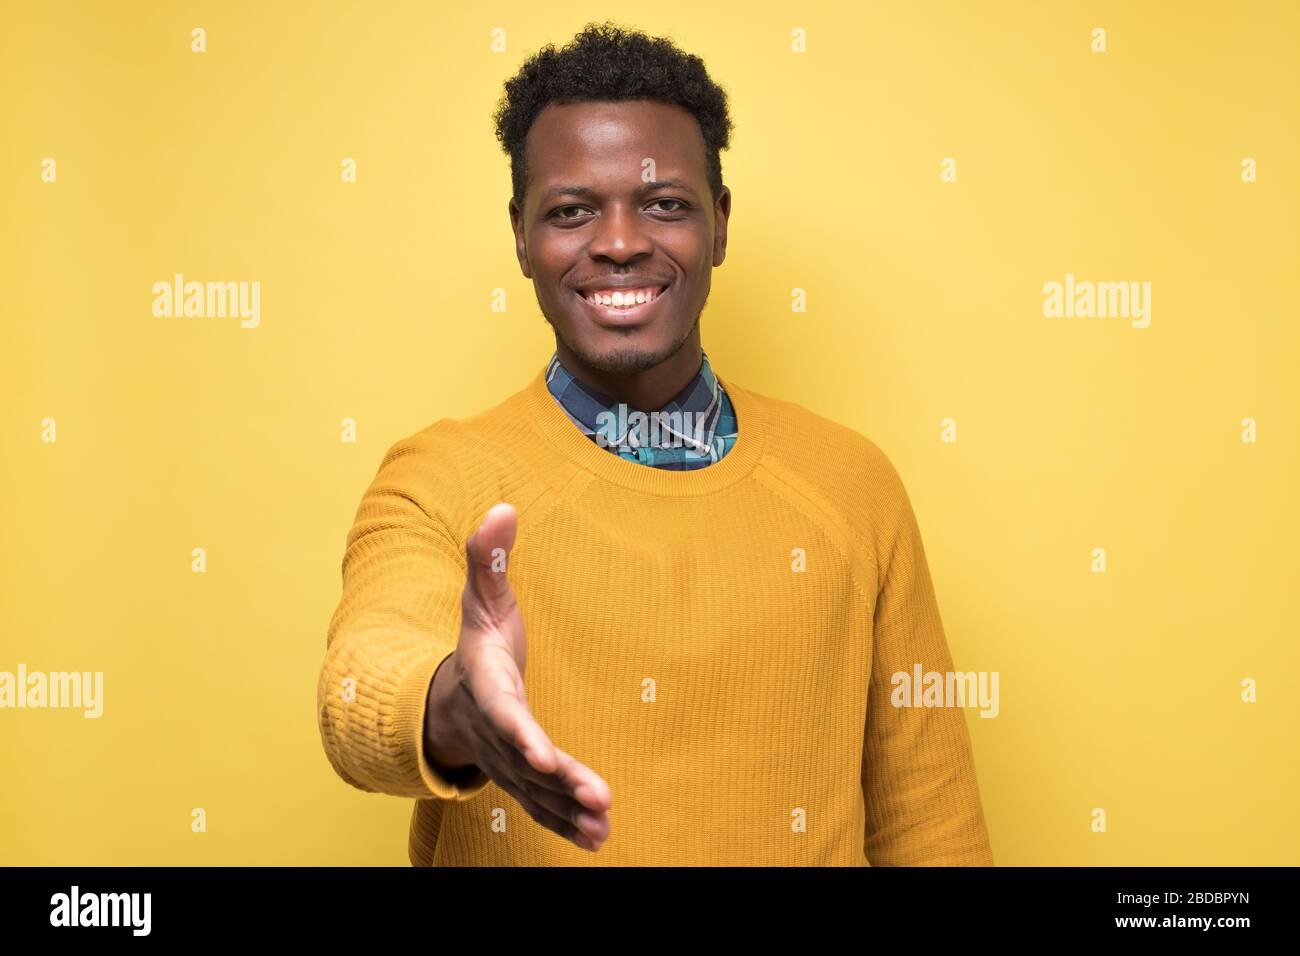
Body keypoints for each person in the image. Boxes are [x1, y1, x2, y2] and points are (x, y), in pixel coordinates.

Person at [317, 20, 994, 866]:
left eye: (664, 205)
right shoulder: (439, 478)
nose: (620, 242)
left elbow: (932, 827)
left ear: (718, 224)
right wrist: (456, 705)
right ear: (522, 237)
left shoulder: (852, 483)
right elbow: (361, 682)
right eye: (571, 212)